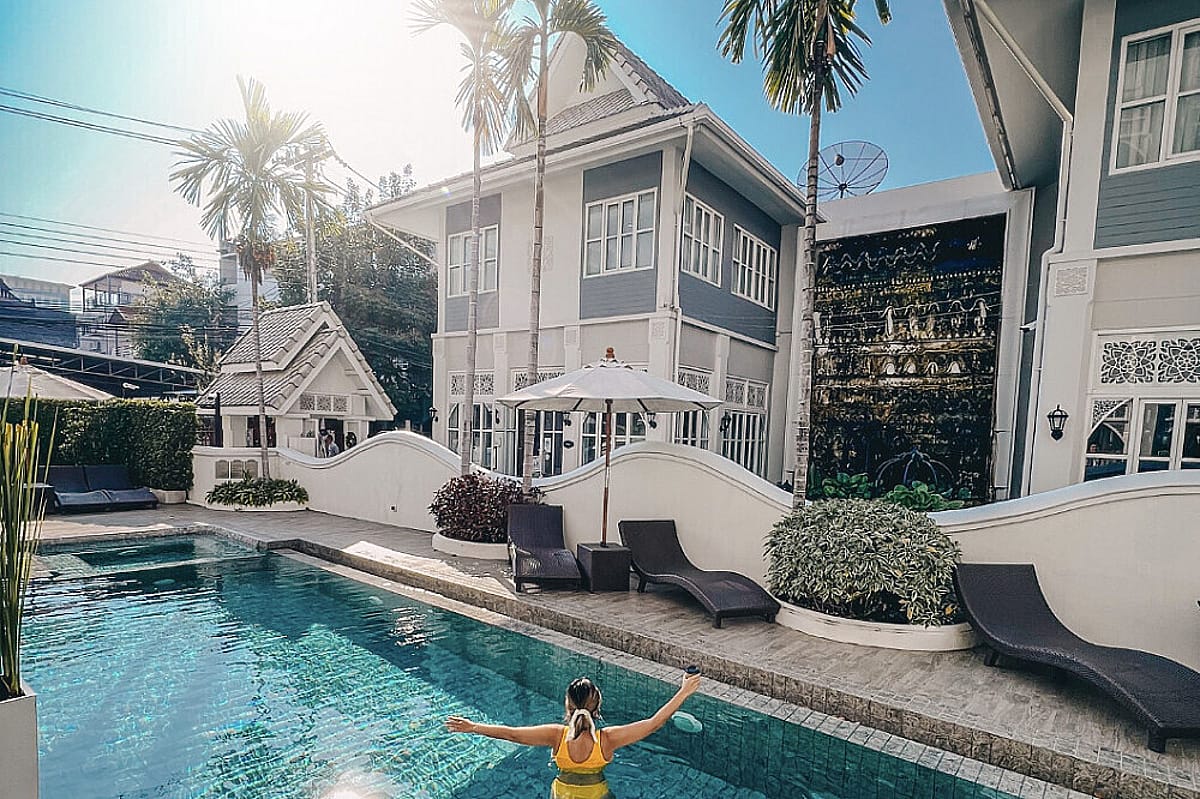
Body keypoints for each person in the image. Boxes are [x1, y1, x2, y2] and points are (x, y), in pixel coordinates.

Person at [446, 671, 702, 798]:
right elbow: (654, 723)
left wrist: (474, 727)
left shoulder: (556, 736)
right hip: (597, 795)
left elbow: (513, 735)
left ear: (567, 705)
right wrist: (684, 691)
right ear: (598, 707)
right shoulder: (608, 739)